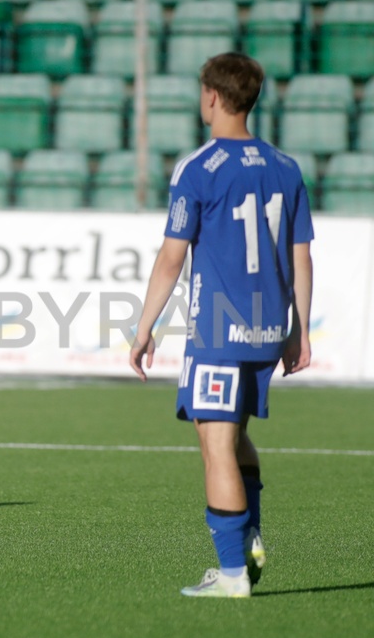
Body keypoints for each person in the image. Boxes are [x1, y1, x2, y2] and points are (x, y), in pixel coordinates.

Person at [129, 52, 314, 598]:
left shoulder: (198, 168)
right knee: (234, 440)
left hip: (218, 332)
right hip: (264, 330)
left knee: (215, 446)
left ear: (211, 96)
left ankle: (233, 573)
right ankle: (250, 533)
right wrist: (299, 328)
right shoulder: (286, 167)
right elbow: (301, 255)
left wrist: (145, 328)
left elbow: (171, 258)